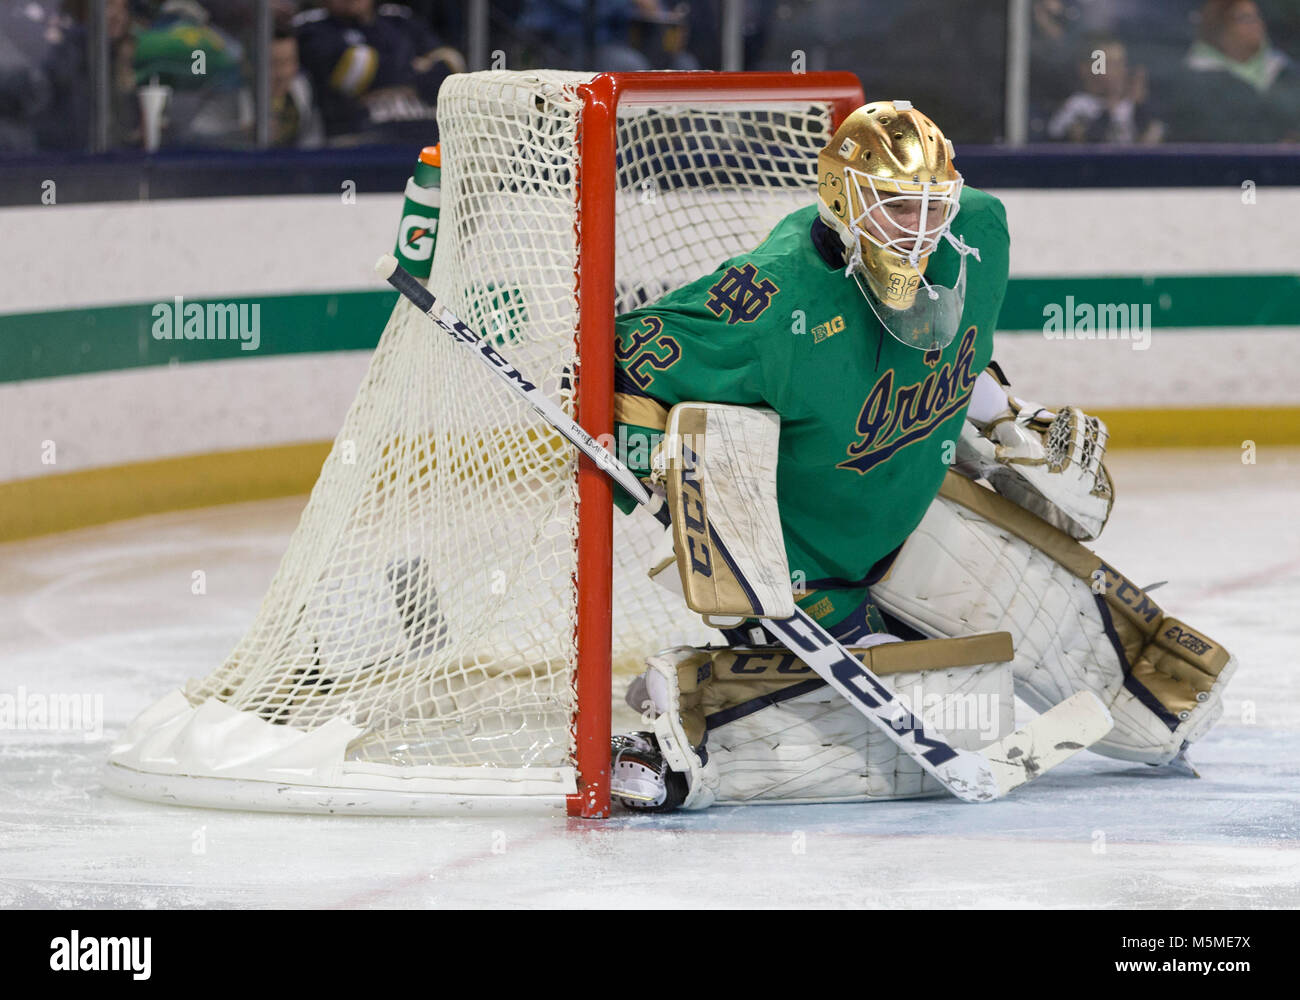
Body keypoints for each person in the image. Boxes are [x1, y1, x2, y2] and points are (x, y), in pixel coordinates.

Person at [607, 100, 1237, 811]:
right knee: (862, 752)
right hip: (814, 573)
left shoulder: (978, 230)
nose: (920, 233)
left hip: (918, 514)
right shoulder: (769, 303)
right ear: (842, 195)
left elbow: (952, 352)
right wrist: (671, 482)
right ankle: (686, 719)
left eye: (932, 207)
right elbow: (617, 362)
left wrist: (1005, 417)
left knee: (1159, 714)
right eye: (897, 208)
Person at [295, 0, 464, 145]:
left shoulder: (398, 18)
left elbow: (452, 68)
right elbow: (351, 75)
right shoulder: (311, 26)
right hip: (359, 144)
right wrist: (417, 69)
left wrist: (381, 69)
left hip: (426, 135)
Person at [1166, 0, 1300, 142]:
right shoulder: (1192, 81)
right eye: (1245, 18)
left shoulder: (1286, 73)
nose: (1257, 24)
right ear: (1220, 27)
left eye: (1258, 17)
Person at [1047, 37, 1164, 144]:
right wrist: (1109, 109)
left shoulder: (1135, 106)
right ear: (1087, 68)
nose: (1119, 70)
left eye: (1121, 63)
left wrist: (1140, 107)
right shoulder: (1076, 105)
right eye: (1109, 64)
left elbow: (1153, 143)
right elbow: (1083, 145)